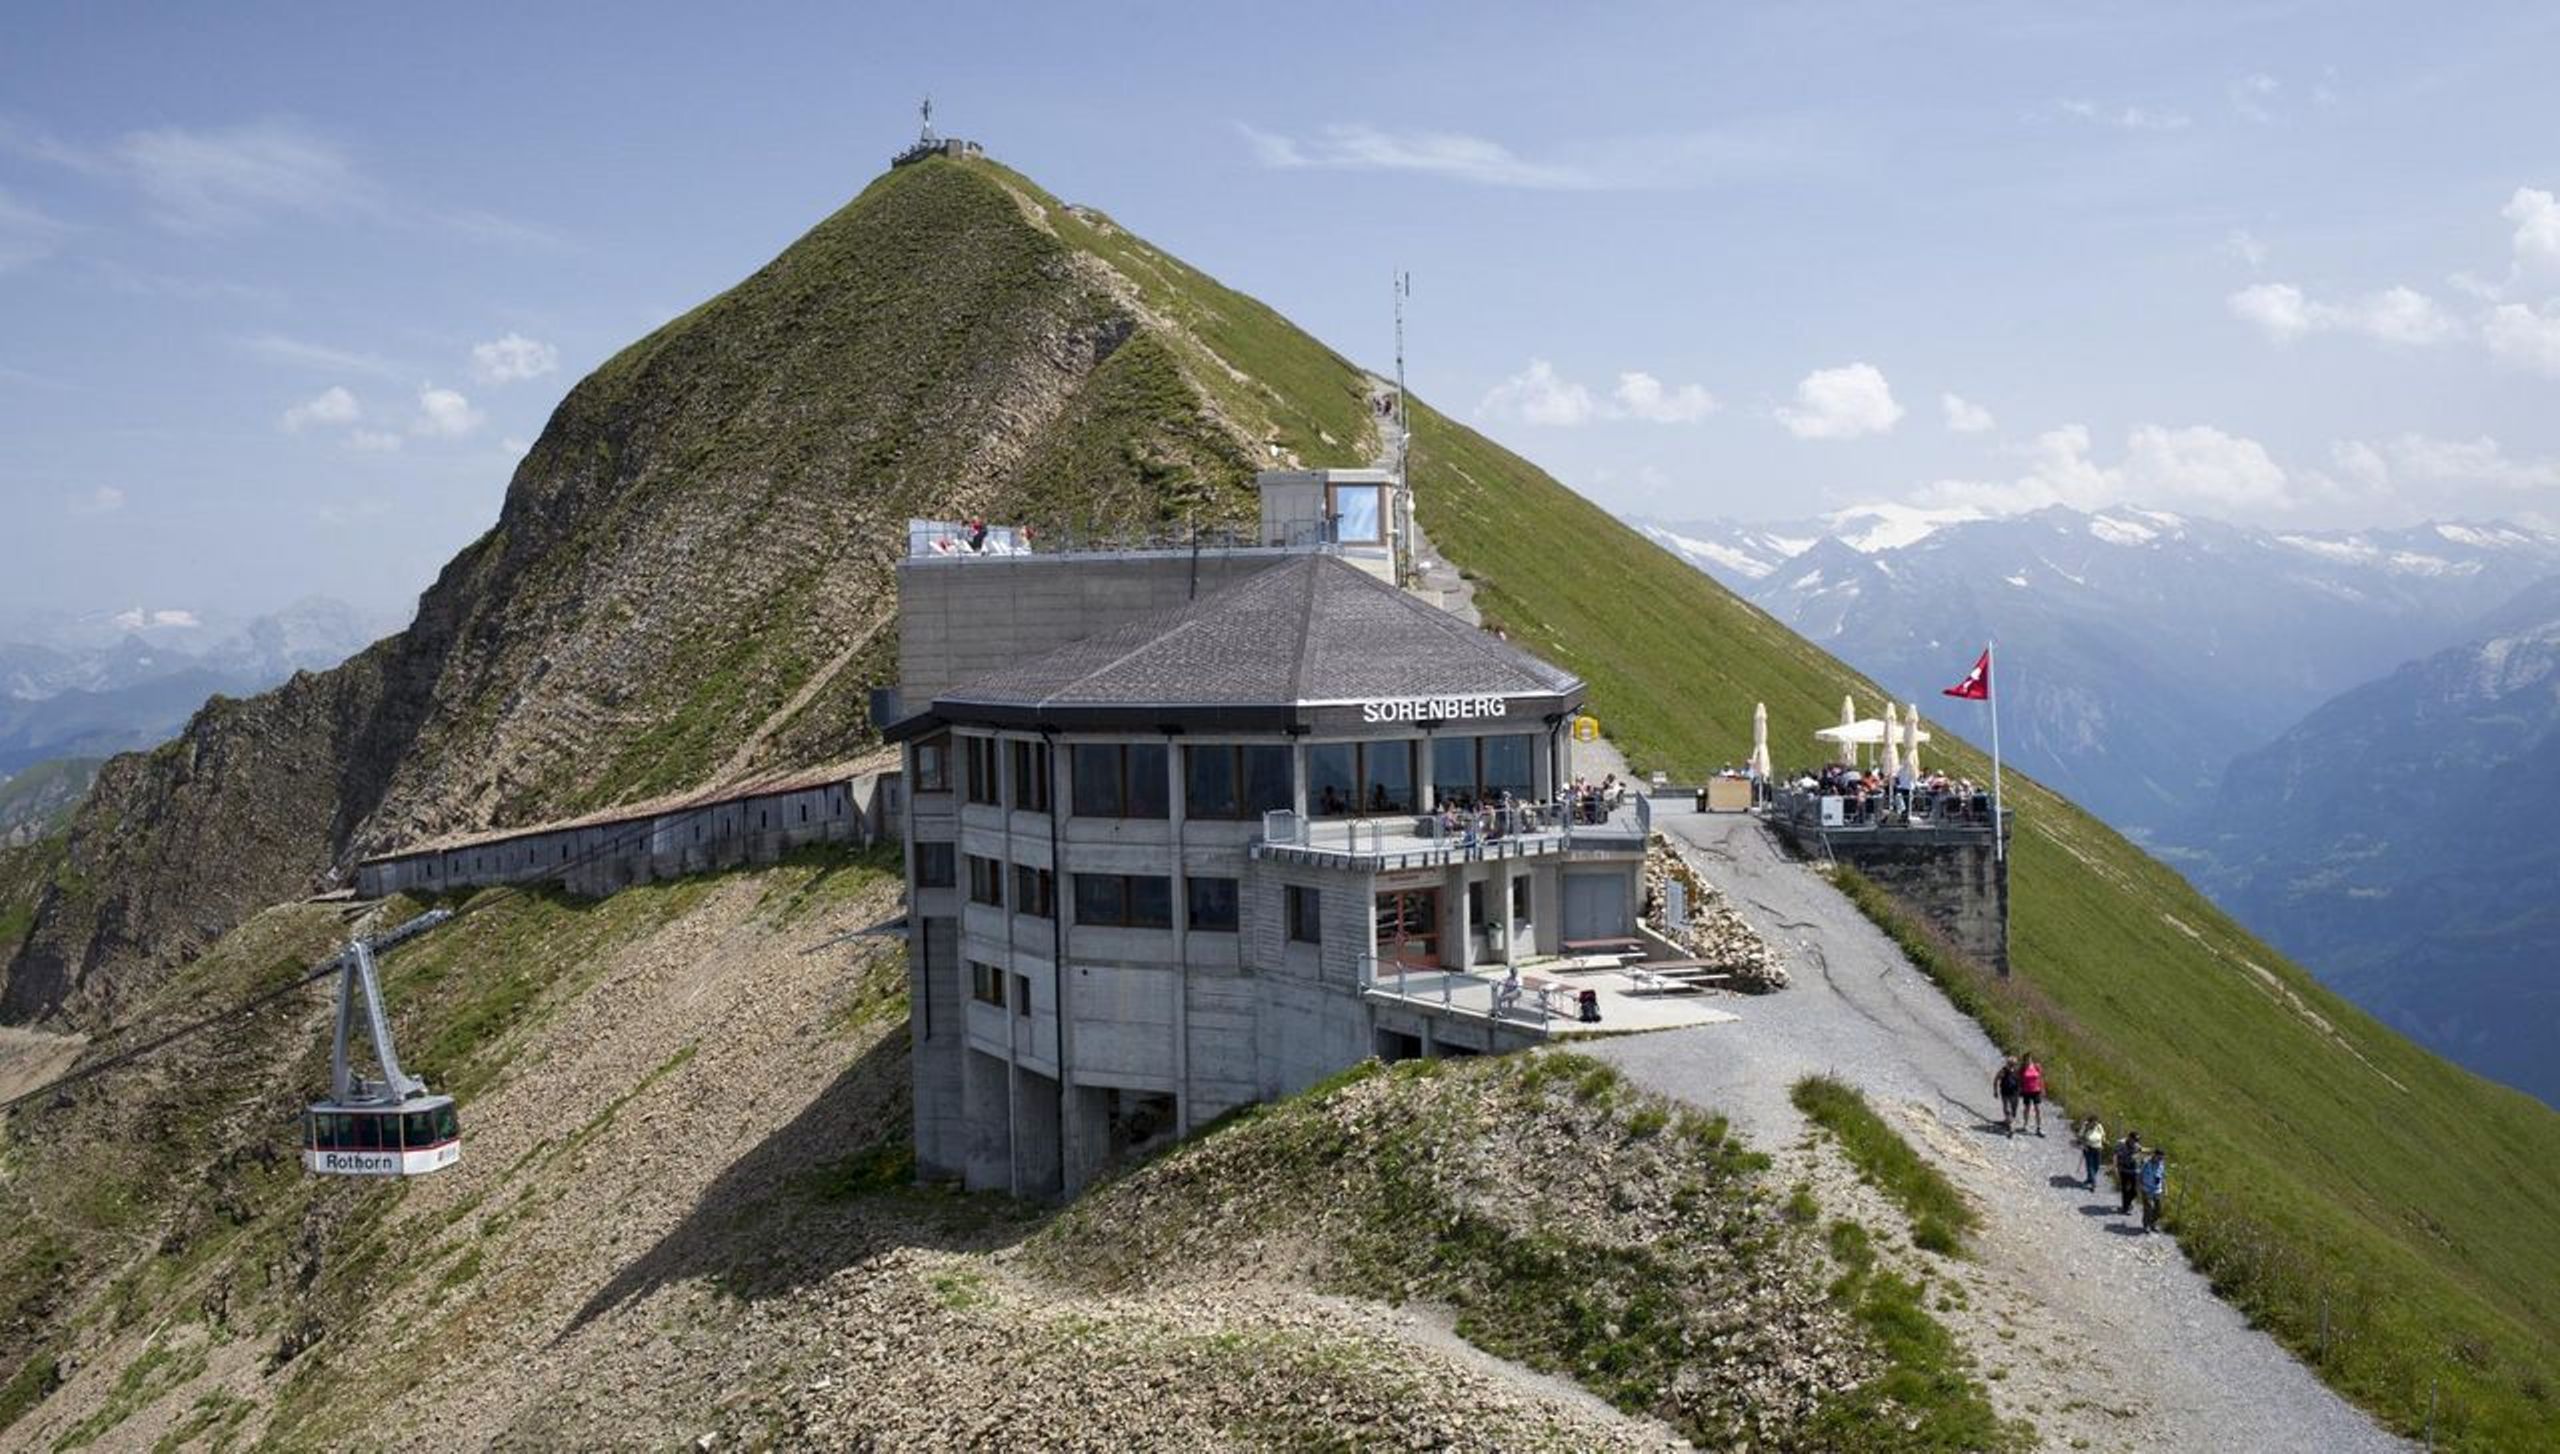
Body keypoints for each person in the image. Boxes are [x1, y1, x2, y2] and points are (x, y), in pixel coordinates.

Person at [2114, 1130, 2144, 1217]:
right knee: (2125, 1189)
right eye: (2134, 1139)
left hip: (2134, 1170)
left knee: (2134, 1191)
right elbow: (2115, 1155)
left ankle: (2127, 1203)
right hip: (2123, 1169)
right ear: (2129, 1138)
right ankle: (2125, 1207)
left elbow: (2140, 1157)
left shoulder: (2137, 1146)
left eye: (2137, 1140)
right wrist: (2115, 1166)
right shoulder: (2121, 1144)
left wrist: (2140, 1166)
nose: (2135, 1142)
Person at [2138, 1148, 2167, 1232]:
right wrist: (2139, 1187)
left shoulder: (2161, 1164)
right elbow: (2140, 1175)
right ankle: (2146, 1225)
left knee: (2159, 1209)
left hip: (2157, 1190)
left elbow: (2163, 1177)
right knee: (2149, 1207)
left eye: (2162, 1158)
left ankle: (2153, 1223)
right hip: (2146, 1189)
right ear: (2154, 1155)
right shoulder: (2146, 1163)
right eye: (2159, 1157)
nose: (2160, 1159)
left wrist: (2166, 1189)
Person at [2017, 1052, 2046, 1136]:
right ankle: (2025, 1125)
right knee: (2027, 1109)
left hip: (2036, 1090)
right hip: (2026, 1091)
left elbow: (2040, 1078)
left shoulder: (2037, 1066)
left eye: (2029, 1058)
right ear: (2024, 1060)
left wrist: (2043, 1089)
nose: (2028, 1060)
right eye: (2026, 1059)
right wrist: (2019, 1090)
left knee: (2038, 1109)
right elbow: (2019, 1080)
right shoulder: (2022, 1069)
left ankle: (2039, 1127)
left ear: (2031, 1059)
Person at [2077, 1114, 2108, 1193]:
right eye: (2093, 1123)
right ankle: (2094, 1183)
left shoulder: (2099, 1126)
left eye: (2096, 1123)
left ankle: (2089, 1179)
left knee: (2097, 1166)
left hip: (2098, 1148)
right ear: (2089, 1122)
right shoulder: (2085, 1127)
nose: (2095, 1124)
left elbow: (2103, 1135)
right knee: (2090, 1166)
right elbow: (2080, 1137)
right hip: (2088, 1149)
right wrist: (2084, 1144)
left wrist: (2104, 1141)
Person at [1993, 1056, 2019, 1135]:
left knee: (2013, 1111)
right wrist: (1995, 1091)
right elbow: (1996, 1080)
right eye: (2010, 1063)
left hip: (2015, 1094)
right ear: (2008, 1063)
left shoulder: (2016, 1071)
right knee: (2007, 1109)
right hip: (2005, 1093)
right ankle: (2011, 1128)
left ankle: (2007, 1122)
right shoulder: (2003, 1071)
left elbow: (2020, 1082)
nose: (2012, 1065)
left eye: (2013, 1064)